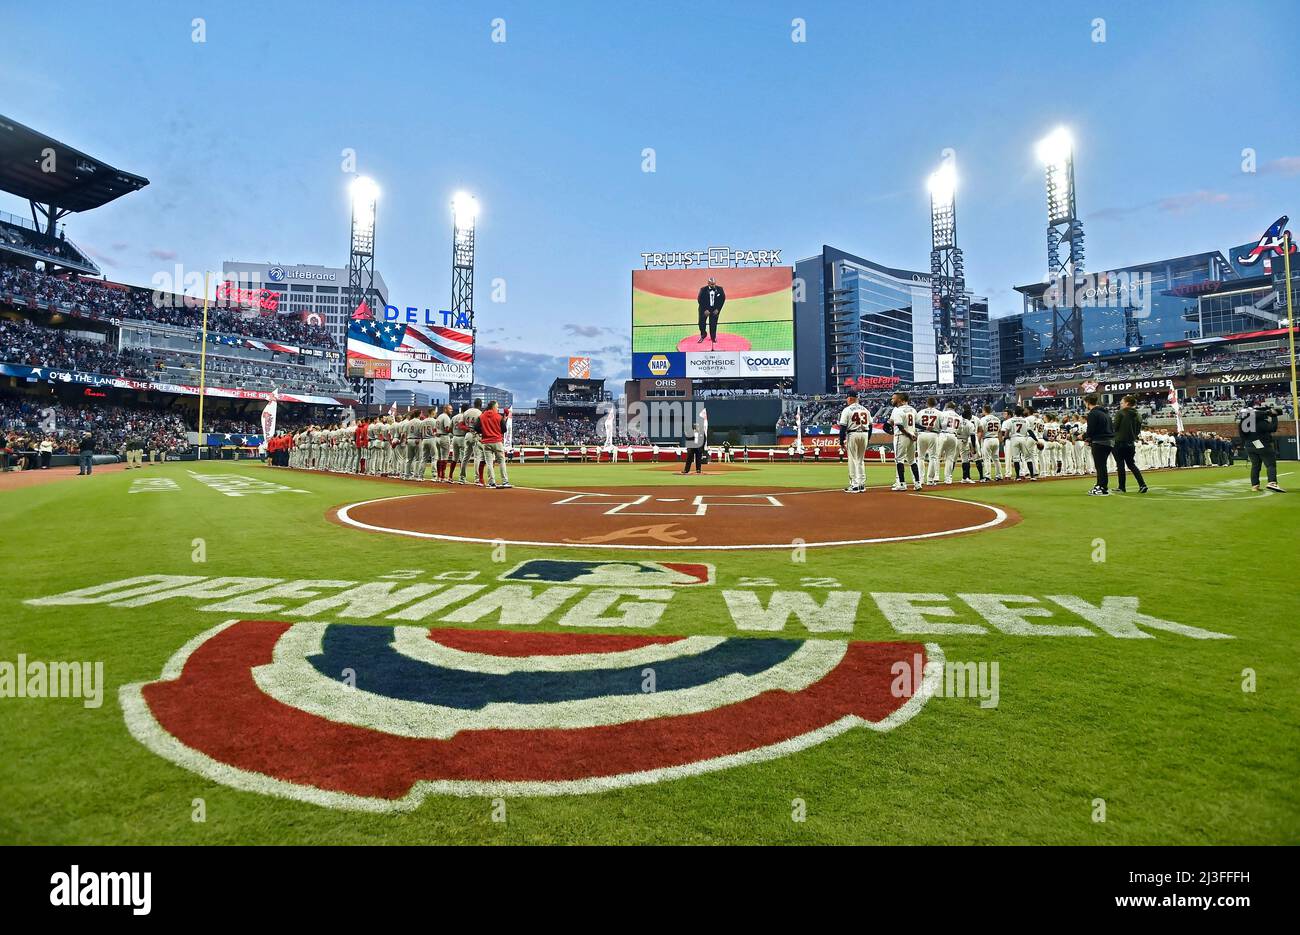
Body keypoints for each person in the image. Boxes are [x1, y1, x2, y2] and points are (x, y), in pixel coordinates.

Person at [1238, 400, 1285, 493]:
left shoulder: (1244, 422)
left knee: (1255, 465)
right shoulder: (1260, 422)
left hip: (1248, 444)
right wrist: (1274, 416)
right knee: (1270, 464)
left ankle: (1255, 486)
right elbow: (1273, 428)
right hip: (1259, 443)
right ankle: (1272, 482)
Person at [1112, 394, 1148, 493]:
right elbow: (1137, 431)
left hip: (1119, 442)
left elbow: (1114, 427)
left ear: (1127, 403)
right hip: (1130, 443)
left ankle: (1122, 487)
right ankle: (1142, 484)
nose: (1120, 404)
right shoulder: (1138, 415)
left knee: (1120, 465)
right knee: (1131, 464)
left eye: (1122, 403)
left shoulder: (1121, 413)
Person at [838, 390, 872, 493]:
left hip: (853, 434)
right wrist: (868, 438)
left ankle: (854, 484)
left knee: (852, 459)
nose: (846, 400)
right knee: (860, 460)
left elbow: (843, 427)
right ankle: (861, 484)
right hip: (865, 434)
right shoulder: (865, 409)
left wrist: (841, 441)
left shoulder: (847, 409)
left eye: (847, 398)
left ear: (850, 398)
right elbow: (870, 426)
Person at [887, 391, 921, 491]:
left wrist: (909, 435)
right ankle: (918, 483)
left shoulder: (897, 410)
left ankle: (902, 484)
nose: (892, 400)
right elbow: (915, 423)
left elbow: (900, 426)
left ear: (900, 400)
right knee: (912, 461)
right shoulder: (913, 410)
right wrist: (912, 435)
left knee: (899, 460)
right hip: (912, 437)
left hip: (901, 436)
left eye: (894, 398)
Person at [1082, 393, 1114, 496]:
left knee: (1100, 466)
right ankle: (1103, 487)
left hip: (1099, 442)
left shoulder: (1093, 413)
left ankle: (1101, 487)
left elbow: (1091, 430)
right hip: (1109, 442)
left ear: (1087, 402)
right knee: (1102, 466)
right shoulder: (1105, 413)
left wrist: (1083, 437)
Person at [477, 400, 512, 488]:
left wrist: (484, 431)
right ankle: (505, 481)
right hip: (497, 441)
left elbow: (476, 428)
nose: (497, 409)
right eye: (497, 407)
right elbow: (504, 429)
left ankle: (491, 482)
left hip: (486, 442)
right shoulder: (498, 416)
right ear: (493, 407)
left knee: (489, 463)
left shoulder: (481, 416)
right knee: (501, 462)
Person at [697, 277, 726, 346]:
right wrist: (705, 310)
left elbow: (722, 299)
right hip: (704, 309)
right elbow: (700, 300)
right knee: (701, 323)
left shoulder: (720, 289)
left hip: (714, 310)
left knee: (713, 324)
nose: (713, 285)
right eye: (711, 284)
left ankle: (713, 337)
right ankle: (703, 334)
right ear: (708, 283)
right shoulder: (703, 289)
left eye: (714, 284)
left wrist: (718, 309)